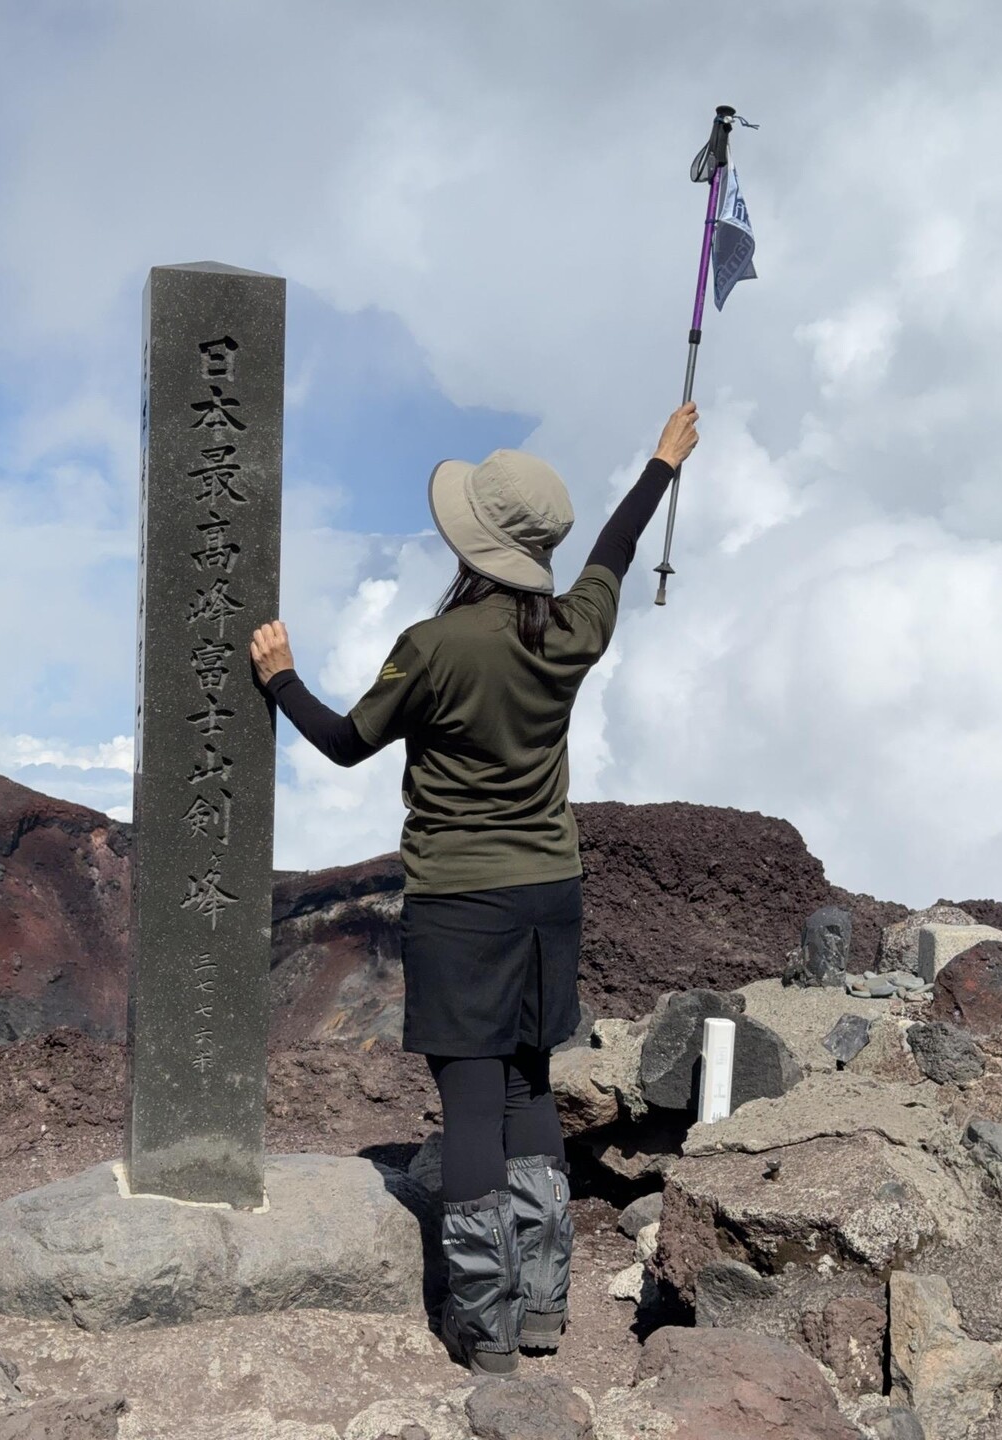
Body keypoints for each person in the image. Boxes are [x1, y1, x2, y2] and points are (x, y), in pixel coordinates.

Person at [250, 401, 699, 1379]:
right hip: (552, 895)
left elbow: (343, 742)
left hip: (462, 903)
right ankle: (542, 1309)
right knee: (530, 1084)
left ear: (474, 544)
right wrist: (663, 463)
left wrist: (280, 678)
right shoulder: (575, 629)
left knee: (468, 1112)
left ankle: (482, 1329)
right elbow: (615, 554)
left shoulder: (434, 645)